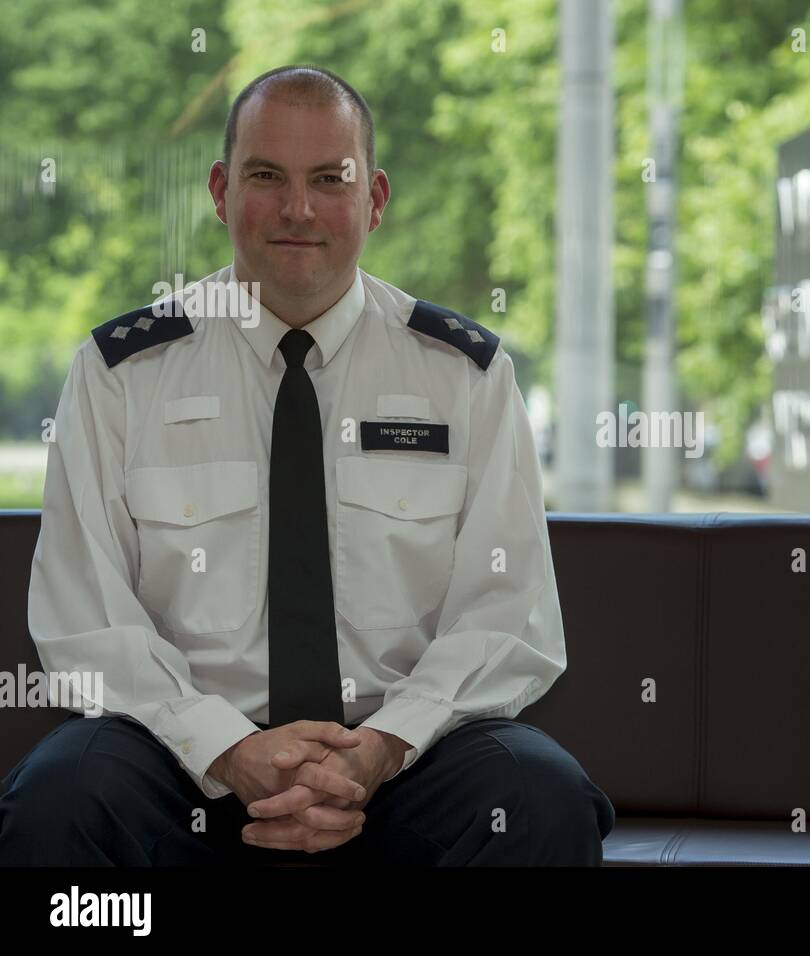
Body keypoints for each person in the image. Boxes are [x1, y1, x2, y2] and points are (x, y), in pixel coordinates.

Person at [0, 65, 615, 865]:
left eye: (331, 179)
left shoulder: (463, 374)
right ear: (221, 191)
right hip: (184, 772)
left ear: (377, 199)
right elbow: (86, 616)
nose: (298, 209)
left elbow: (507, 612)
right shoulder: (124, 373)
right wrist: (225, 749)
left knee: (537, 795)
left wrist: (384, 747)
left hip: (403, 772)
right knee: (61, 797)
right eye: (267, 177)